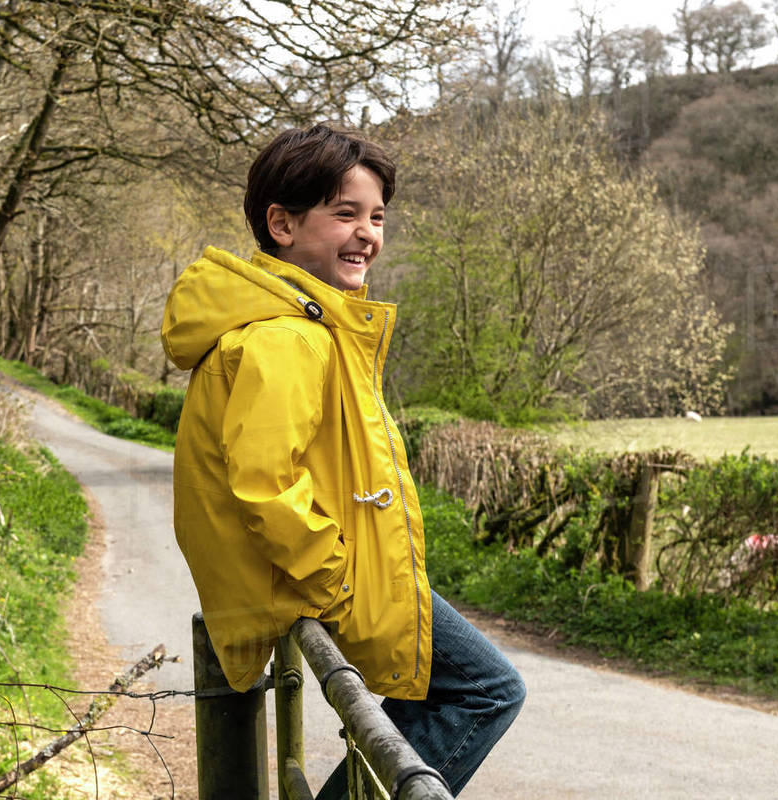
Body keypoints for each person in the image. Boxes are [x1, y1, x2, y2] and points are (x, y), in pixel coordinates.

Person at [161, 124, 525, 797]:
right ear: (283, 223)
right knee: (486, 688)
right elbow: (264, 483)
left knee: (432, 686)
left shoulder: (303, 324)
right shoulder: (287, 338)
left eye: (378, 216)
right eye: (345, 213)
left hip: (326, 570)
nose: (367, 233)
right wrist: (336, 579)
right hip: (323, 574)